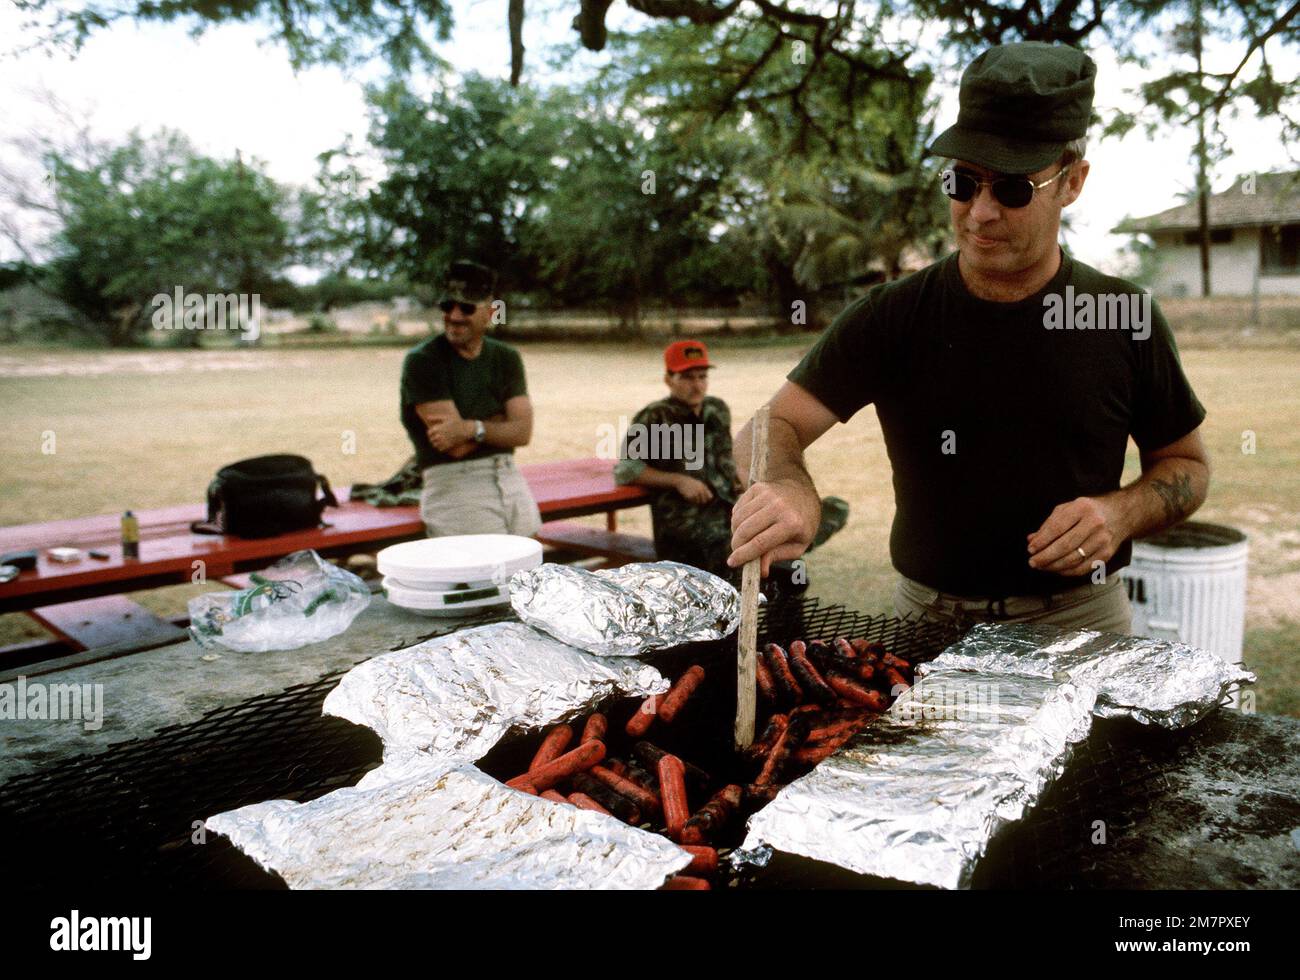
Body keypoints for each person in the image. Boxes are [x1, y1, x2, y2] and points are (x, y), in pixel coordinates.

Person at [726, 42, 1211, 634]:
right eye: (962, 181)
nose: (980, 213)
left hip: (1080, 624)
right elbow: (768, 428)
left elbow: (1185, 466)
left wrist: (1122, 512)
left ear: (1072, 181)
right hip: (926, 621)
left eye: (1012, 189)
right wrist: (788, 485)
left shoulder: (1121, 315)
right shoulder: (890, 316)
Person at [615, 339, 847, 585]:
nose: (697, 385)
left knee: (831, 509)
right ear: (668, 380)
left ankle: (789, 546)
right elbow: (626, 470)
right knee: (786, 573)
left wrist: (742, 484)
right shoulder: (655, 417)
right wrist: (678, 481)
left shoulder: (716, 410)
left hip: (728, 510)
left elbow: (727, 457)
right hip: (687, 525)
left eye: (702, 377)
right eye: (687, 378)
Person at [399, 259, 541, 538]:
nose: (454, 316)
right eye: (446, 306)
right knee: (487, 576)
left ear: (490, 312)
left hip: (509, 475)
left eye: (466, 307)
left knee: (530, 571)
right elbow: (455, 448)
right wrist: (500, 423)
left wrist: (469, 428)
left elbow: (523, 433)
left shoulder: (506, 358)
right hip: (454, 482)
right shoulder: (423, 361)